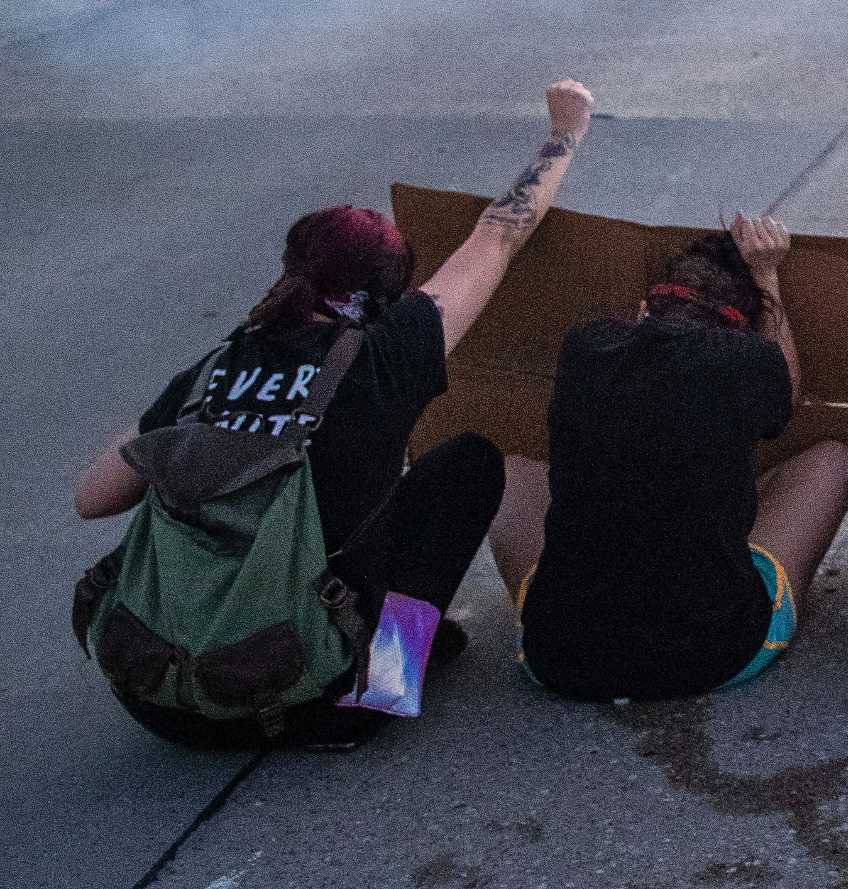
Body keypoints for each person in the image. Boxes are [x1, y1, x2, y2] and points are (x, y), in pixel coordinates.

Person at [74, 80, 597, 747]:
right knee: (467, 464)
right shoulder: (383, 353)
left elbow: (93, 498)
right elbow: (499, 234)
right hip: (322, 699)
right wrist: (566, 129)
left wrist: (181, 409)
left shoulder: (214, 370)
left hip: (163, 703)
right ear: (385, 292)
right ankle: (389, 673)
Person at [493, 217, 848, 702]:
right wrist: (768, 277)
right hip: (713, 656)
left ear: (644, 309)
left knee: (510, 471)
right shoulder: (746, 363)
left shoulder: (586, 346)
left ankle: (565, 607)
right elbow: (781, 404)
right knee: (833, 460)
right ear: (741, 330)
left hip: (559, 657)